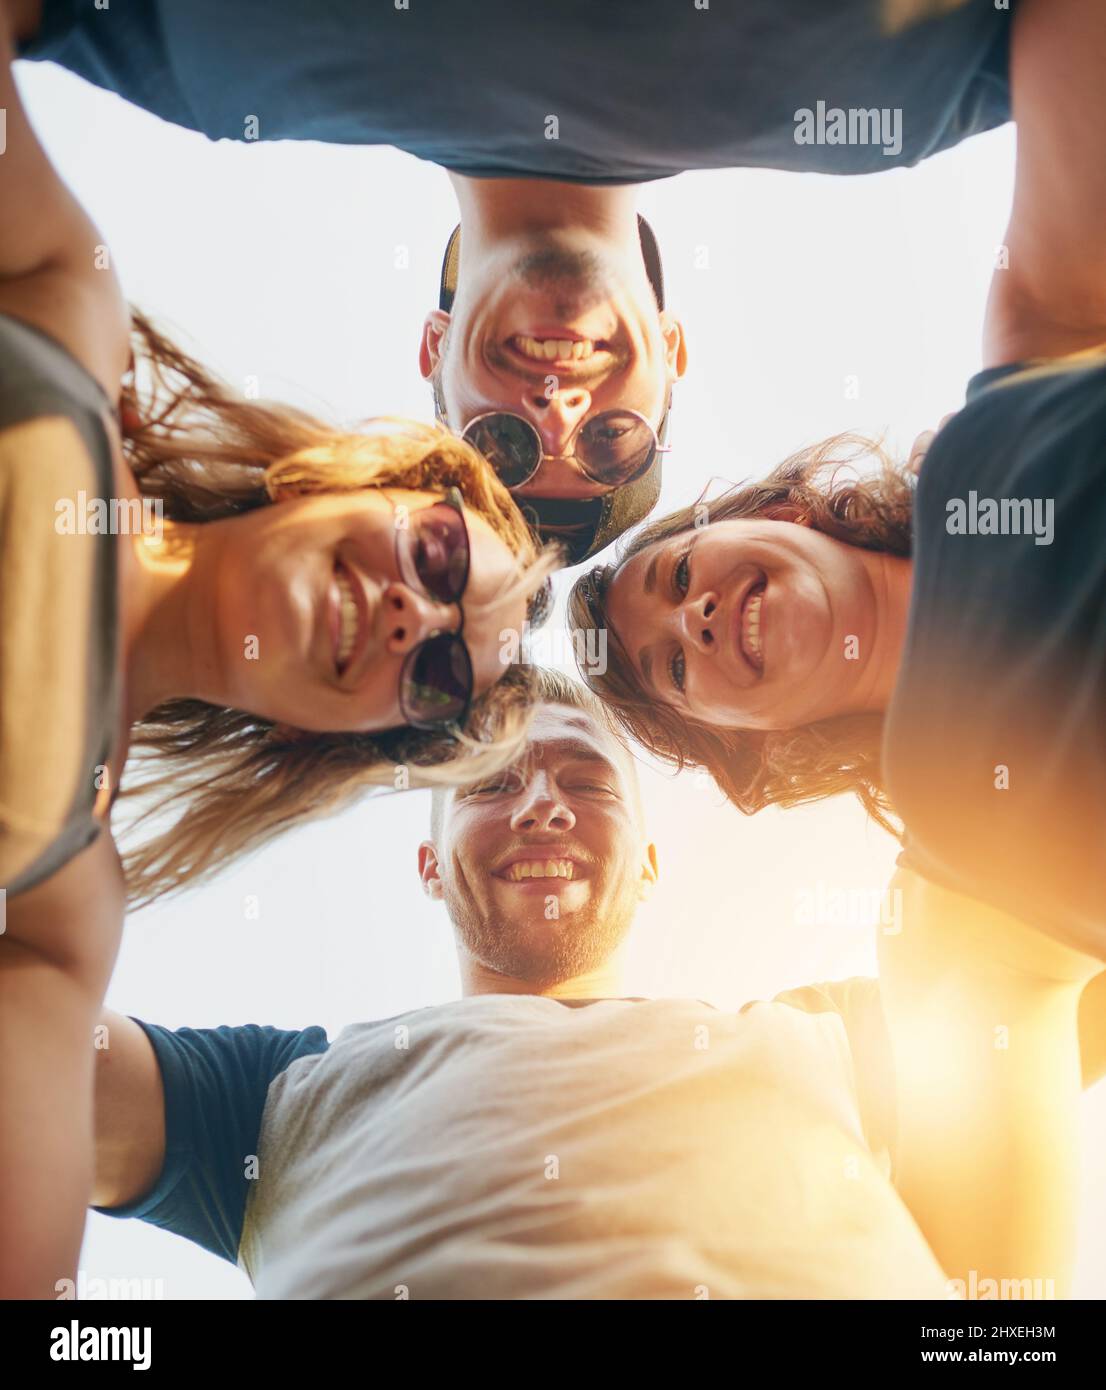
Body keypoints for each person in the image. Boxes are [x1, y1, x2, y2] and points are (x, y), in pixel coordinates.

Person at [0, 12, 555, 1298]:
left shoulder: (66, 904)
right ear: (354, 481)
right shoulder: (66, 314)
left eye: (432, 684)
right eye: (433, 555)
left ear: (343, 741)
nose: (412, 621)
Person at [67, 673, 1106, 1300]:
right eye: (490, 784)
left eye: (583, 779)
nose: (541, 808)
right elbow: (41, 1051)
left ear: (649, 863)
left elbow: (1049, 964)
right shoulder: (271, 1095)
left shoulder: (840, 1047)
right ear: (428, 865)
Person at [10, 0, 1016, 559]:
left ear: (429, 353)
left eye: (501, 439)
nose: (554, 404)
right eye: (610, 440)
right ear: (672, 351)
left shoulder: (207, 77)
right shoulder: (900, 101)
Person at [568, 0, 1106, 961]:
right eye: (676, 669)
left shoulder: (1016, 385)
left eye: (680, 575)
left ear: (775, 512)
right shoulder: (964, 858)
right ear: (752, 744)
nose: (693, 619)